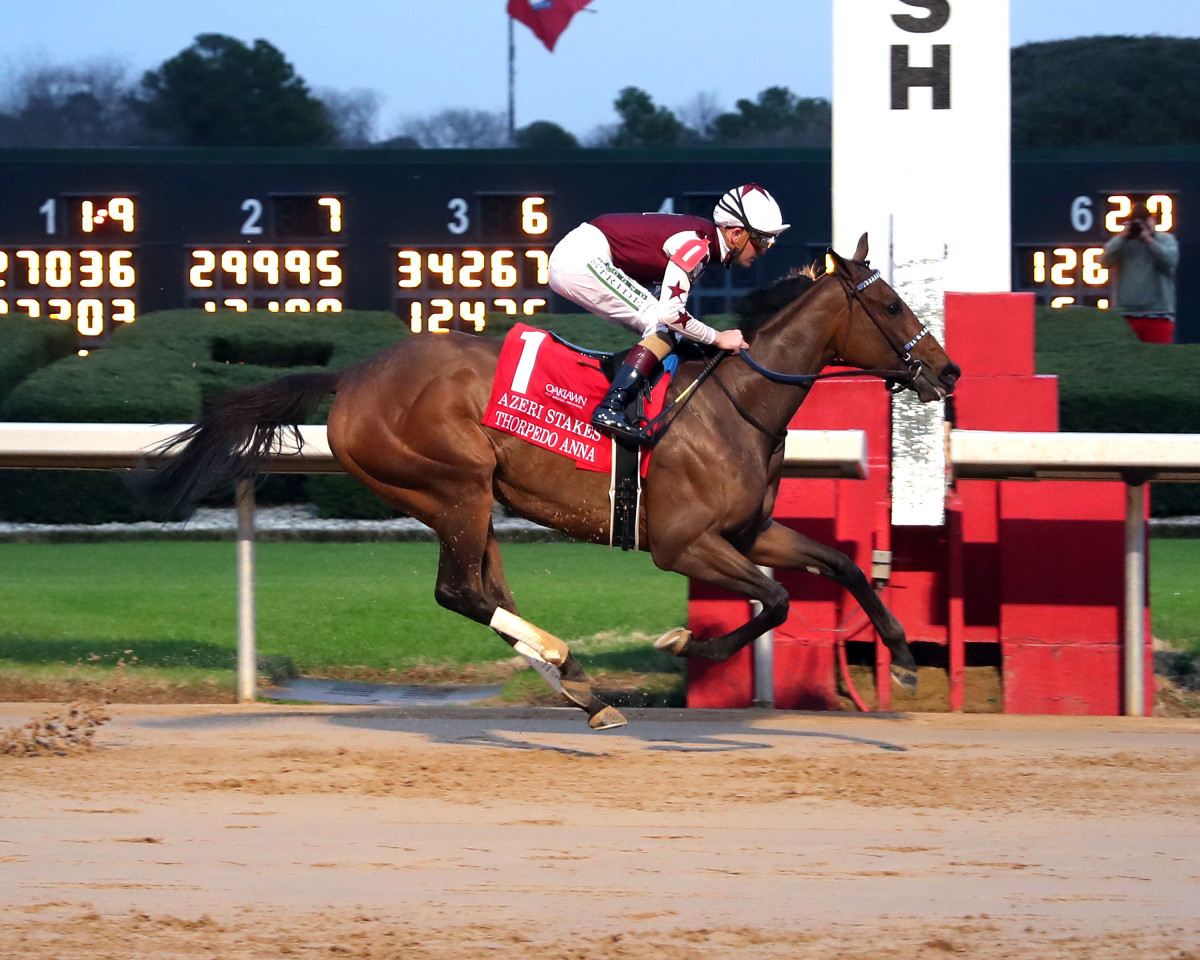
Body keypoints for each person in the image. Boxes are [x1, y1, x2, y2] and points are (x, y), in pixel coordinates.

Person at [547, 183, 789, 444]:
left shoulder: (703, 242)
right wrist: (718, 338)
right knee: (661, 324)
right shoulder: (699, 246)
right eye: (762, 240)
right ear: (735, 234)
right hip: (580, 258)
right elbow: (671, 315)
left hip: (583, 253)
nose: (764, 250)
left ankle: (631, 398)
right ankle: (611, 406)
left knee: (669, 331)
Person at [1100, 202, 1180, 344]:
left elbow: (1170, 260)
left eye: (1144, 221)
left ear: (1153, 221)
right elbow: (1104, 262)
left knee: (1158, 361)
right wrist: (1122, 237)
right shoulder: (1123, 242)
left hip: (1158, 314)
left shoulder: (1165, 240)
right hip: (1126, 314)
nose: (1141, 226)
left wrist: (1148, 240)